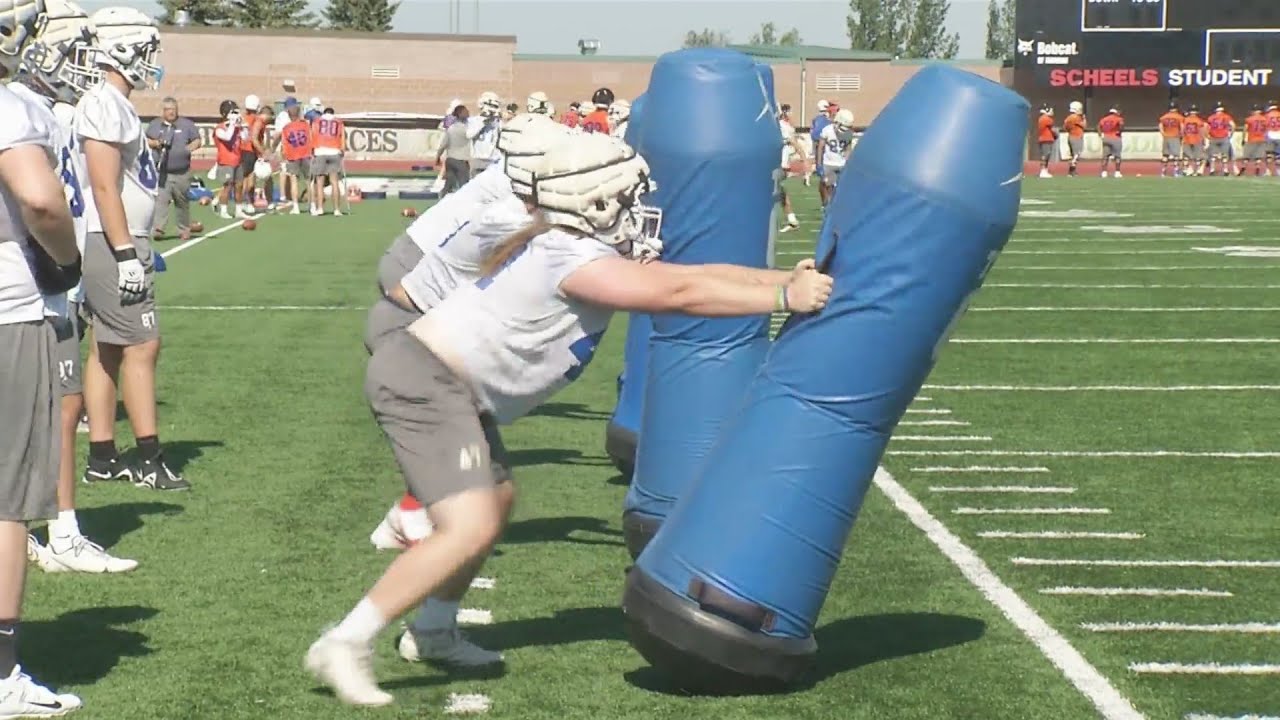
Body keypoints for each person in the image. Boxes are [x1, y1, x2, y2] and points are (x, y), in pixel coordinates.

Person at [305, 132, 834, 706]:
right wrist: (784, 300)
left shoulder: (572, 245)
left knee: (497, 502)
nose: (639, 210)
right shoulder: (576, 260)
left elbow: (690, 273)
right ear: (596, 203)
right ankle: (346, 641)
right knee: (471, 524)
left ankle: (433, 630)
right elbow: (680, 290)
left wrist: (784, 280)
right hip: (425, 380)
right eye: (628, 198)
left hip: (446, 383)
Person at [10, 0, 140, 574]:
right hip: (30, 285)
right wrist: (64, 263)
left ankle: (56, 524)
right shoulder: (25, 111)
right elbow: (44, 200)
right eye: (72, 49)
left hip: (51, 283)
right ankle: (57, 529)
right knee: (56, 411)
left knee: (58, 408)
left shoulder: (49, 109)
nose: (81, 63)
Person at [0, 3, 87, 712]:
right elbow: (42, 201)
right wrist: (65, 261)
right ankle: (2, 676)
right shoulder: (9, 108)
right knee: (5, 501)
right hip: (6, 312)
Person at [76, 6, 189, 492]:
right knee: (143, 345)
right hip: (111, 242)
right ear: (122, 48)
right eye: (146, 50)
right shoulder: (103, 102)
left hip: (112, 240)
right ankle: (148, 458)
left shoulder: (115, 103)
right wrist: (125, 252)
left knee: (108, 349)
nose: (152, 60)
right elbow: (103, 186)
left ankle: (102, 456)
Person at [145, 96, 201, 240]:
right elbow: (146, 140)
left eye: (174, 109)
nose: (172, 112)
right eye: (169, 110)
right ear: (163, 111)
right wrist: (157, 143)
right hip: (163, 172)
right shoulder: (155, 125)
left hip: (182, 171)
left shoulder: (186, 124)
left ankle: (183, 229)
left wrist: (188, 149)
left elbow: (197, 140)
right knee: (161, 201)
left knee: (181, 201)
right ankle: (158, 229)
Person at [210, 99, 245, 219]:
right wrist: (232, 124)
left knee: (239, 186)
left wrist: (242, 126)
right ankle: (223, 210)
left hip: (238, 160)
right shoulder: (219, 128)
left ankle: (239, 209)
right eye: (232, 112)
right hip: (226, 162)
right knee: (227, 186)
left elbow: (245, 138)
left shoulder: (236, 127)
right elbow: (227, 137)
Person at [277, 98, 311, 214]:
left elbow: (284, 143)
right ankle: (312, 205)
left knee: (294, 180)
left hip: (293, 155)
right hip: (306, 154)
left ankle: (296, 206)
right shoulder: (305, 125)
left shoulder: (286, 128)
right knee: (308, 180)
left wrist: (284, 156)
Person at [309, 106, 345, 216]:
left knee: (320, 182)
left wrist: (312, 150)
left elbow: (312, 135)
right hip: (334, 151)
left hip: (320, 151)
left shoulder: (316, 121)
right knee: (334, 181)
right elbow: (342, 137)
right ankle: (337, 209)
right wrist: (342, 150)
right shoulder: (339, 122)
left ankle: (320, 208)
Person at [817, 108, 854, 204]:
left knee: (837, 189)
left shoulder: (848, 132)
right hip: (829, 163)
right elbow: (820, 147)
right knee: (825, 186)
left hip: (840, 163)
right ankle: (826, 205)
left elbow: (848, 149)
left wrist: (848, 163)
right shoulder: (827, 130)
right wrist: (819, 164)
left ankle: (830, 206)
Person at [777, 103, 804, 232]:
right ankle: (792, 219)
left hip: (778, 165)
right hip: (778, 164)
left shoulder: (782, 126)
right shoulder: (781, 126)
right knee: (781, 192)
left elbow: (795, 144)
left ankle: (792, 219)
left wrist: (805, 160)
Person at [435, 104, 472, 197]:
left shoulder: (451, 128)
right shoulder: (468, 129)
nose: (468, 113)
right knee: (464, 186)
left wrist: (438, 157)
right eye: (466, 111)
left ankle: (442, 198)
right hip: (461, 161)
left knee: (449, 184)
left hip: (450, 160)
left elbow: (443, 144)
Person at [467, 91, 502, 176]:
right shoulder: (473, 120)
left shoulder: (497, 123)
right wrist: (483, 122)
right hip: (478, 159)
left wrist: (498, 118)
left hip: (493, 160)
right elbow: (469, 135)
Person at [1062, 100, 1086, 177]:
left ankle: (1072, 171)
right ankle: (1071, 171)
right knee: (1076, 155)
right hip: (1077, 137)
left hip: (1070, 136)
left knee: (1073, 155)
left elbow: (1065, 127)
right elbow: (1084, 126)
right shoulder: (1076, 117)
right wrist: (1084, 118)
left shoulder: (1068, 118)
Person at [1035, 105, 1057, 179]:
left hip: (1043, 138)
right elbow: (1053, 130)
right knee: (1046, 155)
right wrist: (1056, 135)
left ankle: (1044, 170)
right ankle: (1043, 171)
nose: (1052, 112)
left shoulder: (1041, 118)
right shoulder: (1047, 119)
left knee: (1045, 155)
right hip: (1046, 139)